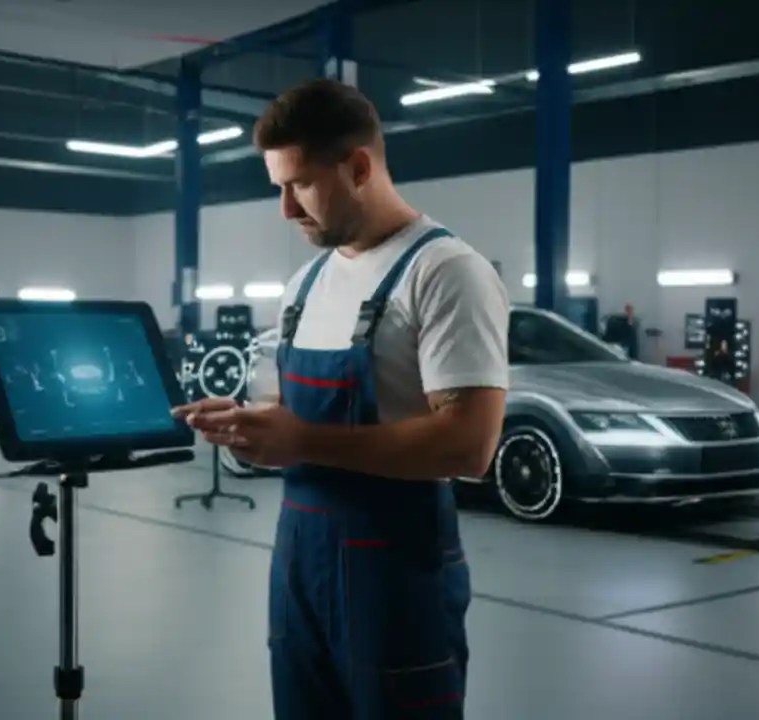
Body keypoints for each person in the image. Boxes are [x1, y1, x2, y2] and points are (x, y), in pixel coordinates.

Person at [171, 78, 509, 719]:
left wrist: (301, 441)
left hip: (397, 577)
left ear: (358, 168)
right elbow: (293, 416)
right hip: (299, 563)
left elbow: (470, 444)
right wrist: (251, 424)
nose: (285, 210)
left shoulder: (444, 272)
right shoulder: (304, 284)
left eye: (299, 184)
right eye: (277, 187)